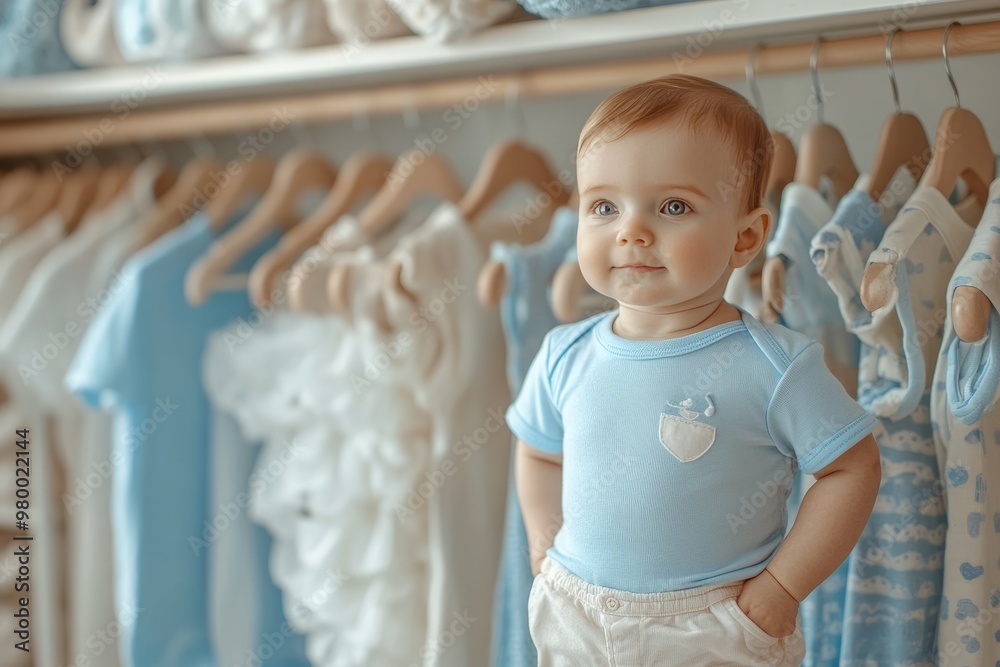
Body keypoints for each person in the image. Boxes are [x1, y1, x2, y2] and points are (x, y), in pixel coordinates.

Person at [506, 74, 882, 666]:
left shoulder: (775, 365)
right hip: (574, 611)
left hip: (715, 625)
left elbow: (851, 469)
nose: (632, 229)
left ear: (746, 236)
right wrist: (541, 540)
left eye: (673, 206)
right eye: (604, 206)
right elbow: (537, 449)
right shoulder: (563, 353)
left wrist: (782, 587)